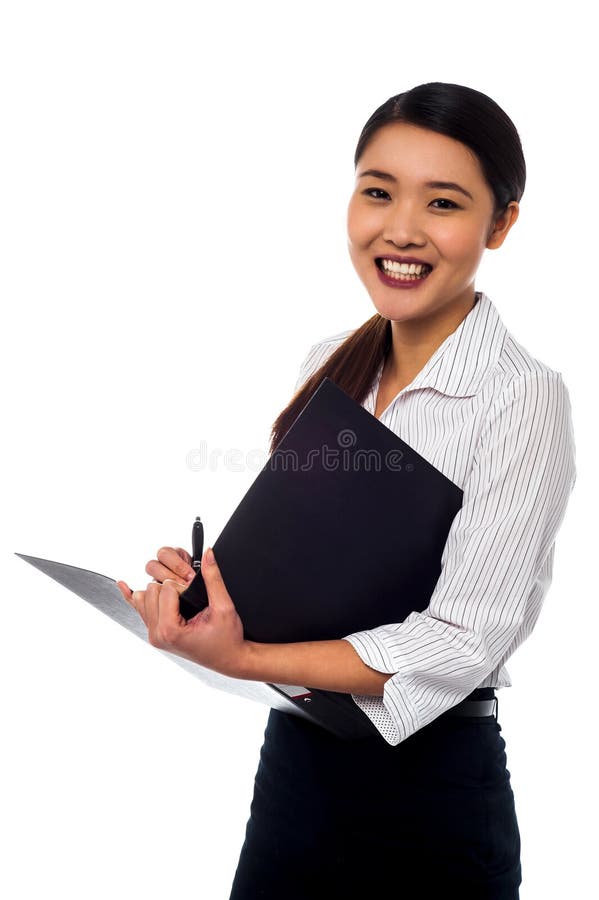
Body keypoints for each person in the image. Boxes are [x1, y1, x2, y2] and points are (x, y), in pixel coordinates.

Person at [117, 82, 577, 898]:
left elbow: (463, 640)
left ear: (500, 224)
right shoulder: (332, 363)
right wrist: (213, 599)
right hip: (298, 770)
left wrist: (246, 654)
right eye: (376, 191)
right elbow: (302, 574)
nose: (399, 230)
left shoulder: (522, 397)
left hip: (431, 795)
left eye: (443, 202)